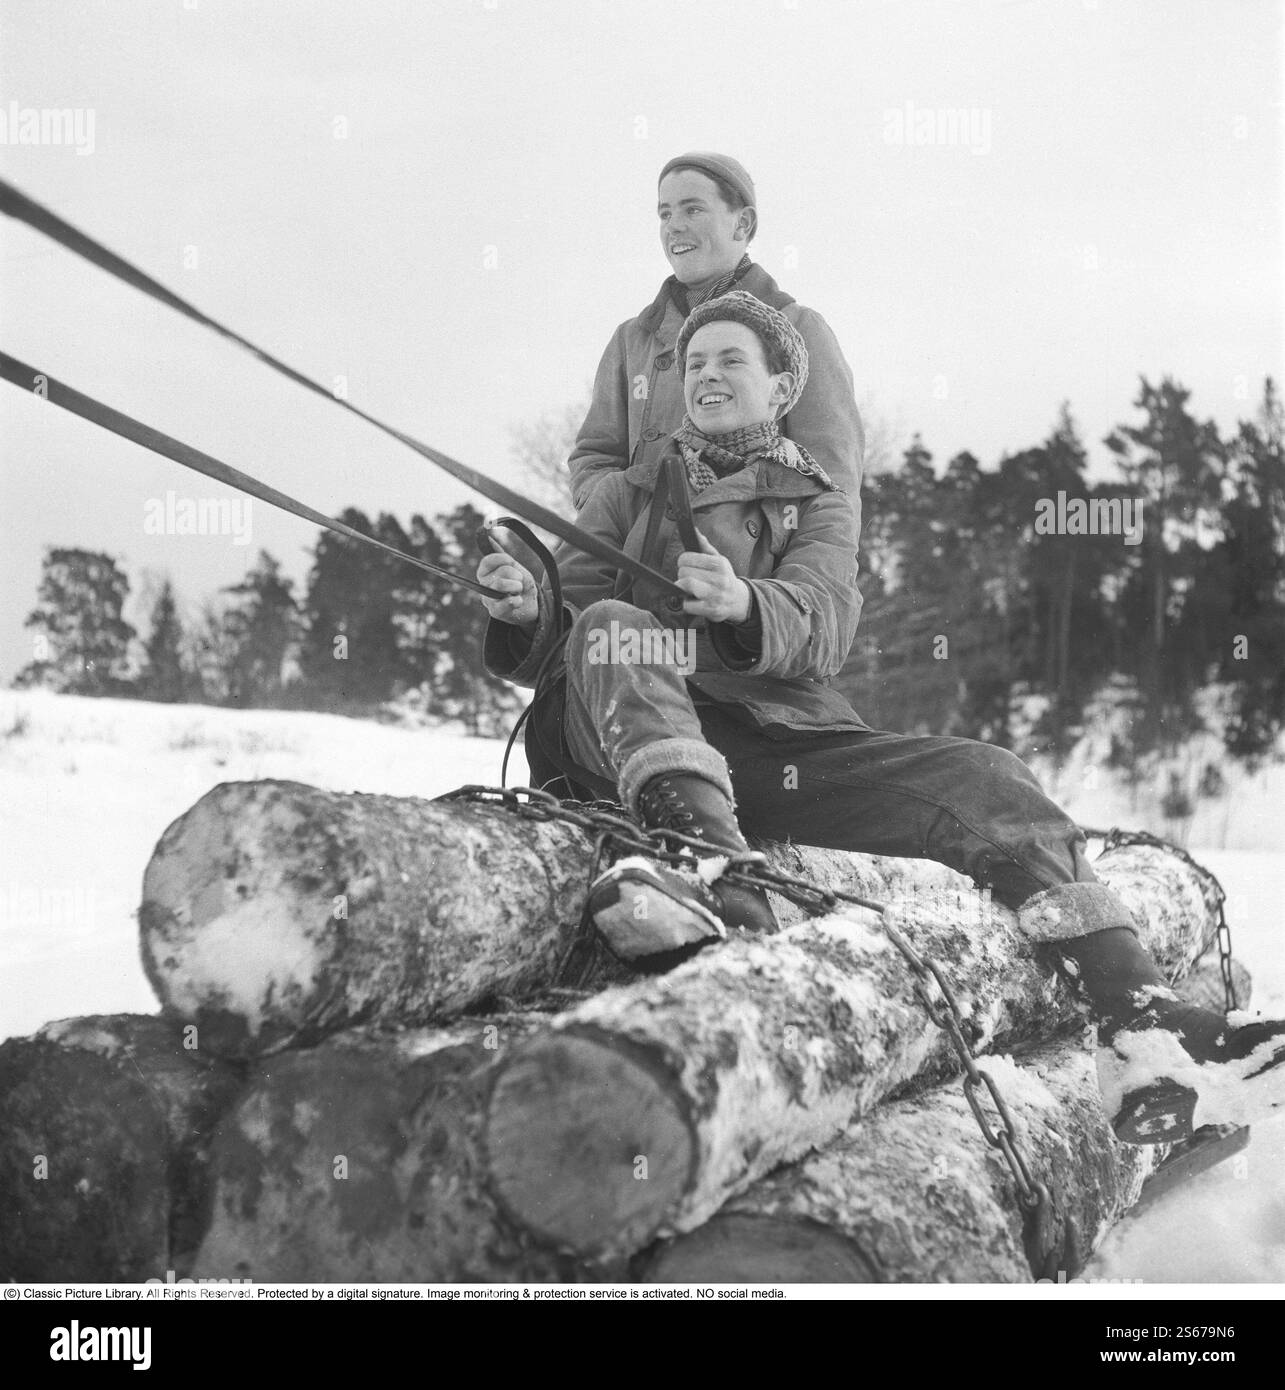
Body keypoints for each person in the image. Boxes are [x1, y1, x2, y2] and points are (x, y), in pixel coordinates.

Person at [476, 290, 1285, 1148]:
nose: (705, 376)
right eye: (693, 363)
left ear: (783, 386)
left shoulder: (814, 499)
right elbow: (560, 642)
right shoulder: (622, 494)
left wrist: (745, 602)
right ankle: (710, 871)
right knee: (611, 629)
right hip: (615, 742)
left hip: (763, 739)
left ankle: (1140, 1019)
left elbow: (822, 622)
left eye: (730, 361)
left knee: (988, 776)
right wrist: (528, 610)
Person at [567, 151, 864, 511]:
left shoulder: (800, 328)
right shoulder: (633, 340)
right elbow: (594, 457)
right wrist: (621, 516)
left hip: (747, 564)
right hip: (633, 560)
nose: (673, 226)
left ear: (742, 224)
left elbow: (833, 487)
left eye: (693, 209)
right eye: (665, 213)